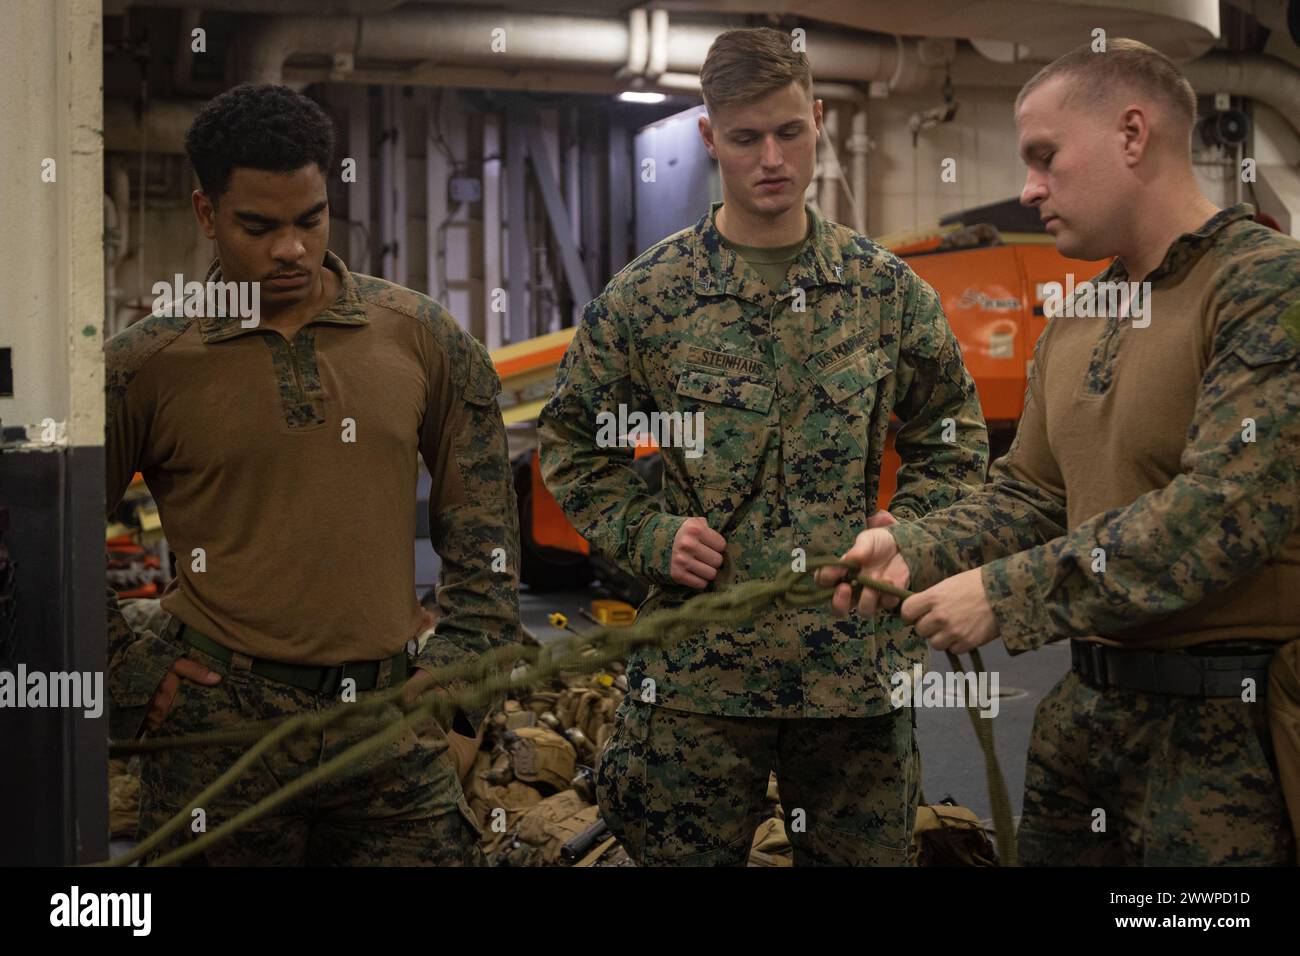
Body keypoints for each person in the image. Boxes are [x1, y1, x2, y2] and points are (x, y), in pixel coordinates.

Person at [825, 38, 1300, 866]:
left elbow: (1224, 513)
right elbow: (1034, 494)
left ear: (1131, 134)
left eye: (1045, 157)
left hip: (1228, 740)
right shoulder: (1082, 315)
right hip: (1083, 726)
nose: (1028, 187)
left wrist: (1004, 596)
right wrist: (915, 549)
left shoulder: (1265, 286)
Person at [538, 27, 988, 866]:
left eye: (789, 131)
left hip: (852, 676)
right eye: (744, 138)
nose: (770, 157)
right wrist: (649, 535)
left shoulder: (885, 292)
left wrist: (912, 534)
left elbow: (953, 444)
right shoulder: (650, 297)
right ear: (710, 137)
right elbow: (574, 445)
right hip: (696, 683)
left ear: (818, 119)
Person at [104, 83, 520, 865]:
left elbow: (486, 527)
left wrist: (464, 668)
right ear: (205, 214)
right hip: (220, 733)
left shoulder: (420, 335)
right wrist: (130, 669)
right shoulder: (148, 365)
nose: (289, 248)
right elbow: (48, 542)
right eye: (258, 227)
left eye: (310, 219)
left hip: (390, 724)